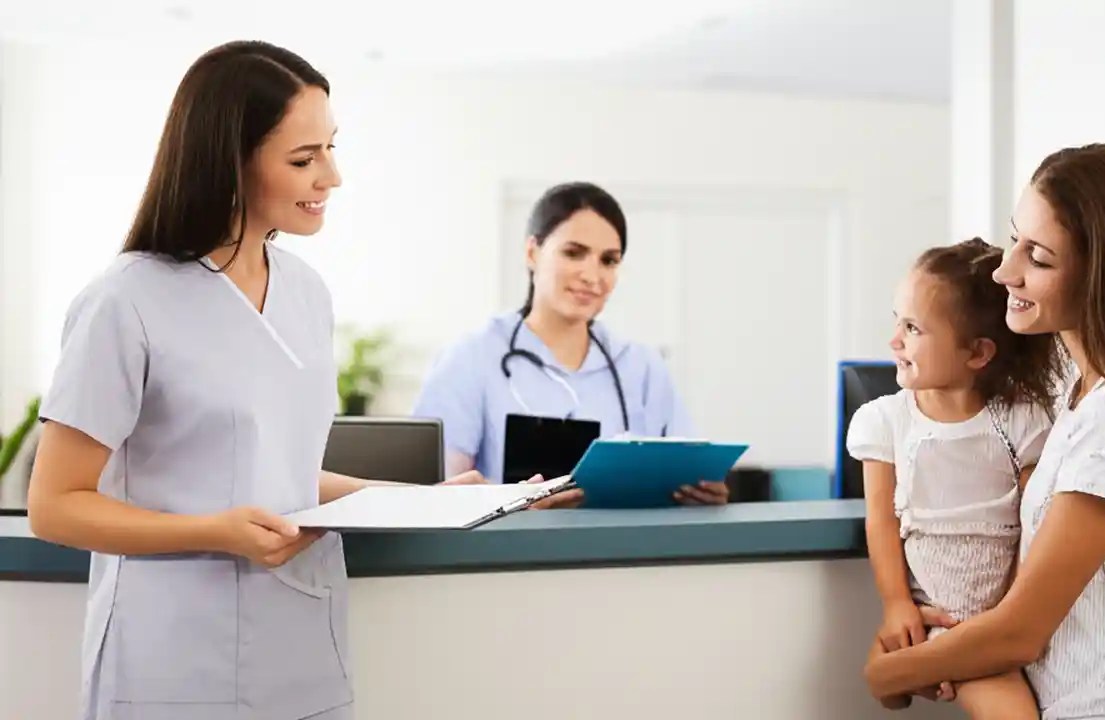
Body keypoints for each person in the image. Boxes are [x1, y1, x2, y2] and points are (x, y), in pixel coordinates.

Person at [26, 41, 480, 720]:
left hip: (301, 651)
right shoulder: (126, 300)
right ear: (229, 165)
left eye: (330, 148)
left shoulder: (306, 293)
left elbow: (281, 471)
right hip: (173, 656)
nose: (332, 176)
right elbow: (55, 503)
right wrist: (217, 531)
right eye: (304, 159)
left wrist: (423, 500)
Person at [863, 144, 1105, 717]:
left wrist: (884, 672)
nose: (1003, 270)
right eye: (1015, 239)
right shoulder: (1080, 402)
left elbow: (1020, 632)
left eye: (1037, 257)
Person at [848, 238, 1063, 718]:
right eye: (896, 321)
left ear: (977, 353)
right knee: (889, 689)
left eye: (913, 328)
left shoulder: (1022, 423)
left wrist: (999, 622)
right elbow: (880, 522)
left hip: (995, 627)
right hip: (931, 617)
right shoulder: (884, 422)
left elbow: (1038, 525)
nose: (894, 340)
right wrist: (896, 605)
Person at [411, 182, 728, 505]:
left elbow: (688, 466)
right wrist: (515, 504)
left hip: (624, 553)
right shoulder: (470, 358)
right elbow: (438, 496)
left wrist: (701, 491)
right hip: (505, 553)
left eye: (609, 260)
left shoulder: (642, 365)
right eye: (574, 253)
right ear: (532, 252)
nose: (592, 276)